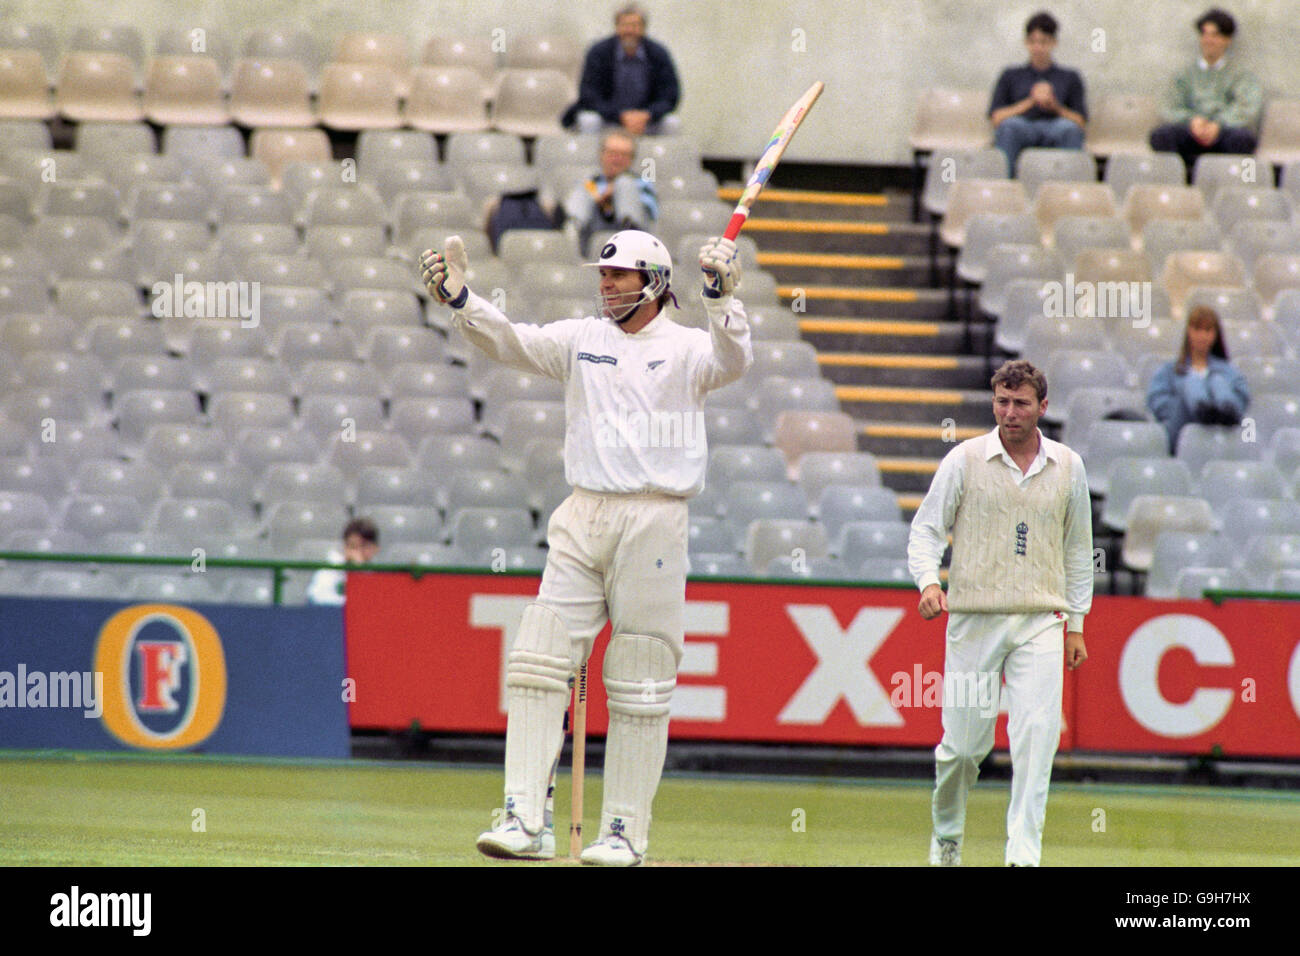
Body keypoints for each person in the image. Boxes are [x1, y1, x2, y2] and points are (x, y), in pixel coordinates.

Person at [419, 228, 750, 865]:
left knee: (641, 676)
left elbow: (733, 362)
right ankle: (524, 818)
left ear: (652, 282)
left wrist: (720, 297)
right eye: (601, 277)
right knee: (538, 657)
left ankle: (624, 832)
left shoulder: (685, 348)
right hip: (583, 512)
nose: (604, 287)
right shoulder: (581, 339)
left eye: (617, 277)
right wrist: (462, 300)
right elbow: (512, 341)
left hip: (655, 519)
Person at [908, 359, 1093, 867]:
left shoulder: (1068, 466)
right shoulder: (965, 460)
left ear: (1043, 408)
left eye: (1021, 403)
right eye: (1002, 402)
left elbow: (1078, 548)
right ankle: (947, 837)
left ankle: (1022, 857)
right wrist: (928, 581)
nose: (1010, 413)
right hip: (975, 617)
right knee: (963, 750)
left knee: (1037, 740)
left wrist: (1076, 623)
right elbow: (926, 530)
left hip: (1042, 619)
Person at [1148, 8, 1262, 176]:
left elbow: (1246, 107)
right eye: (1205, 34)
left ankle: (1224, 179)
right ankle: (1181, 180)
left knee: (1243, 139)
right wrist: (1192, 120)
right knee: (1161, 136)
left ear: (1227, 40)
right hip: (1190, 131)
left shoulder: (1241, 75)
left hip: (1223, 133)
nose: (1209, 40)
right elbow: (1169, 105)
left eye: (1215, 35)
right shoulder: (1184, 75)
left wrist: (1218, 123)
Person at [988, 11, 1088, 176]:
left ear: (1054, 43)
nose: (1038, 48)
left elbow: (1080, 122)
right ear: (1026, 43)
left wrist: (1054, 106)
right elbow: (997, 118)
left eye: (1044, 42)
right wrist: (1031, 101)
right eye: (1033, 42)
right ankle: (1005, 186)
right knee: (1008, 127)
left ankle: (1069, 189)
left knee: (1070, 130)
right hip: (1022, 126)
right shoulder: (1010, 75)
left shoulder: (1070, 77)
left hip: (1056, 127)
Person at [562, 4, 681, 136]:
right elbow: (588, 94)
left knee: (672, 123)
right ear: (617, 27)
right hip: (608, 118)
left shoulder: (658, 54)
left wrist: (646, 115)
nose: (629, 30)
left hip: (645, 120)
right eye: (625, 25)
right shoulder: (599, 52)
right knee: (589, 120)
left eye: (635, 25)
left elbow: (670, 96)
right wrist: (621, 116)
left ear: (643, 28)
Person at [1146, 305, 1250, 453]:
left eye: (1207, 330)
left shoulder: (1229, 372)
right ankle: (1202, 411)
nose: (1202, 336)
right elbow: (1157, 400)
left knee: (1217, 381)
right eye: (1197, 329)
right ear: (1188, 331)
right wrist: (1182, 406)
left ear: (1215, 334)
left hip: (1223, 432)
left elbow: (1242, 399)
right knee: (1192, 380)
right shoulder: (1169, 370)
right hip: (1181, 432)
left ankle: (1224, 411)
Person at [563, 129, 658, 256]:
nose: (617, 159)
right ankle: (570, 239)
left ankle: (628, 236)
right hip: (592, 243)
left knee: (625, 183)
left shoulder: (642, 184)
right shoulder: (590, 183)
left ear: (632, 159)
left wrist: (617, 193)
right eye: (612, 153)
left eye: (624, 155)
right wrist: (601, 200)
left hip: (634, 247)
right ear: (601, 154)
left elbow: (652, 214)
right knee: (585, 187)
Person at [306, 517, 379, 605]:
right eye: (352, 546)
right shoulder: (331, 567)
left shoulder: (379, 573)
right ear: (344, 547)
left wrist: (361, 570)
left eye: (364, 546)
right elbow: (318, 597)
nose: (357, 552)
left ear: (375, 549)